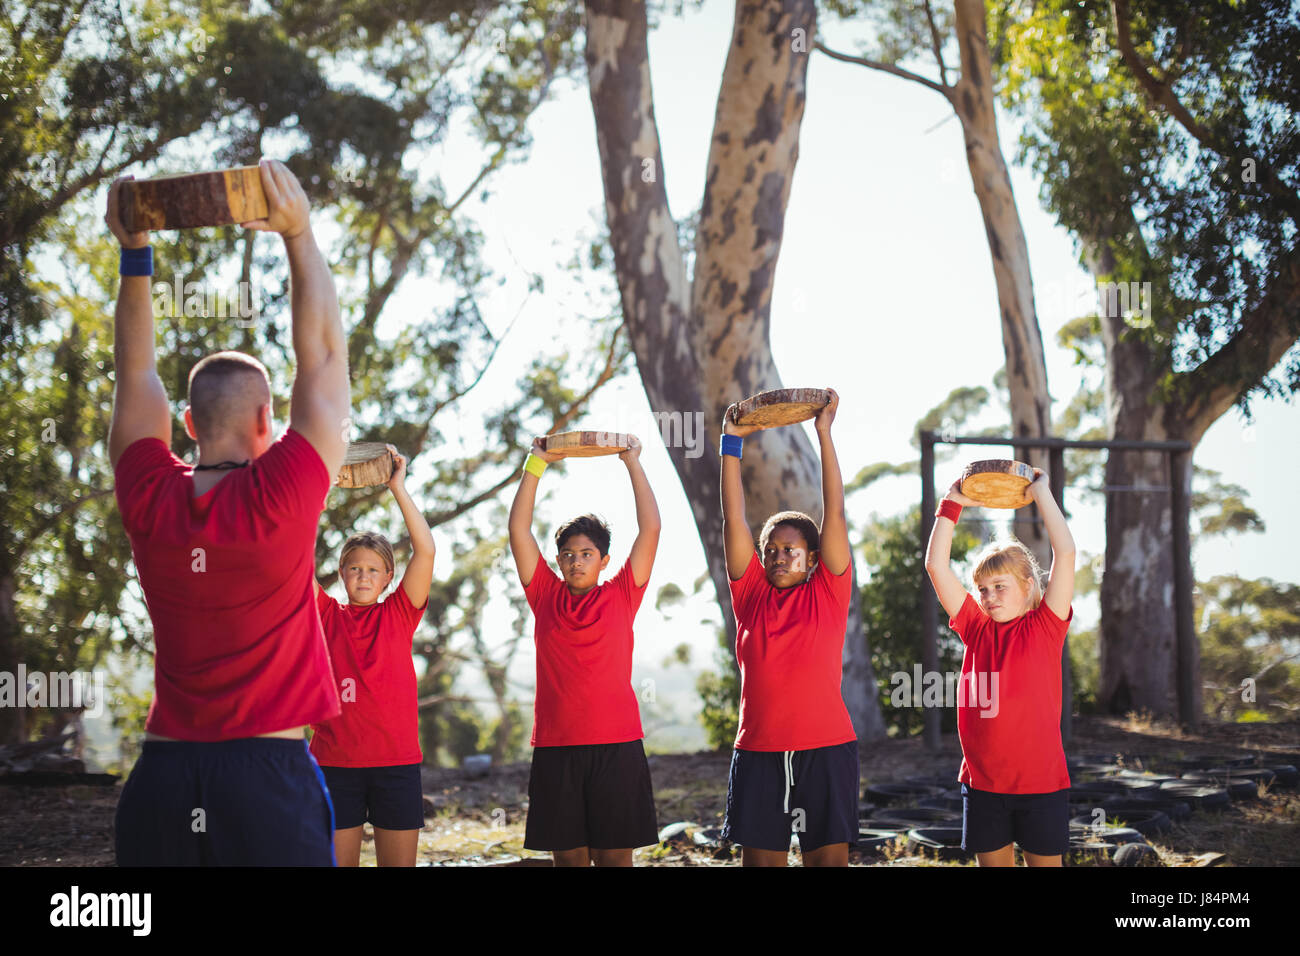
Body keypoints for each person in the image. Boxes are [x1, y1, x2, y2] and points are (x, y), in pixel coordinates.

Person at [108, 159, 351, 865]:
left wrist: (135, 254)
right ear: (268, 422)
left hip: (161, 781)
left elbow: (134, 374)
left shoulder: (150, 496)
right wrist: (298, 235)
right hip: (266, 783)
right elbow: (326, 358)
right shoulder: (285, 491)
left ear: (187, 421)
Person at [719, 388, 859, 867]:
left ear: (813, 558)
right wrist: (731, 442)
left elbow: (834, 512)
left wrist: (823, 434)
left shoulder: (829, 590)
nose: (779, 555)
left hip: (827, 750)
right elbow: (732, 518)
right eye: (771, 549)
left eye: (791, 548)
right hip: (759, 751)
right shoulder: (750, 594)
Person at [507, 435, 661, 866]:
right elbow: (518, 529)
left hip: (618, 747)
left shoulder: (623, 594)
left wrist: (632, 462)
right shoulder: (544, 594)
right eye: (568, 554)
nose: (577, 561)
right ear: (558, 560)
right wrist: (535, 463)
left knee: (615, 860)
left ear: (604, 560)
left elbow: (651, 529)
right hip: (558, 749)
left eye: (587, 554)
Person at [924, 469, 1076, 867]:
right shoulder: (975, 628)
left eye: (1000, 586)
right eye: (983, 589)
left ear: (1027, 585)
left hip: (1042, 787)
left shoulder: (1046, 625)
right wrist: (951, 503)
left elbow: (1067, 552)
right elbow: (936, 566)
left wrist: (1042, 492)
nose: (989, 596)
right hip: (984, 787)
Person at [309, 446, 433, 867]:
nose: (363, 576)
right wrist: (318, 493)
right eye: (354, 568)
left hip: (395, 765)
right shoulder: (325, 614)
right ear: (341, 573)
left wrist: (397, 487)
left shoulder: (399, 613)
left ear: (388, 578)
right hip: (333, 765)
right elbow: (289, 561)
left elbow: (426, 551)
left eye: (373, 569)